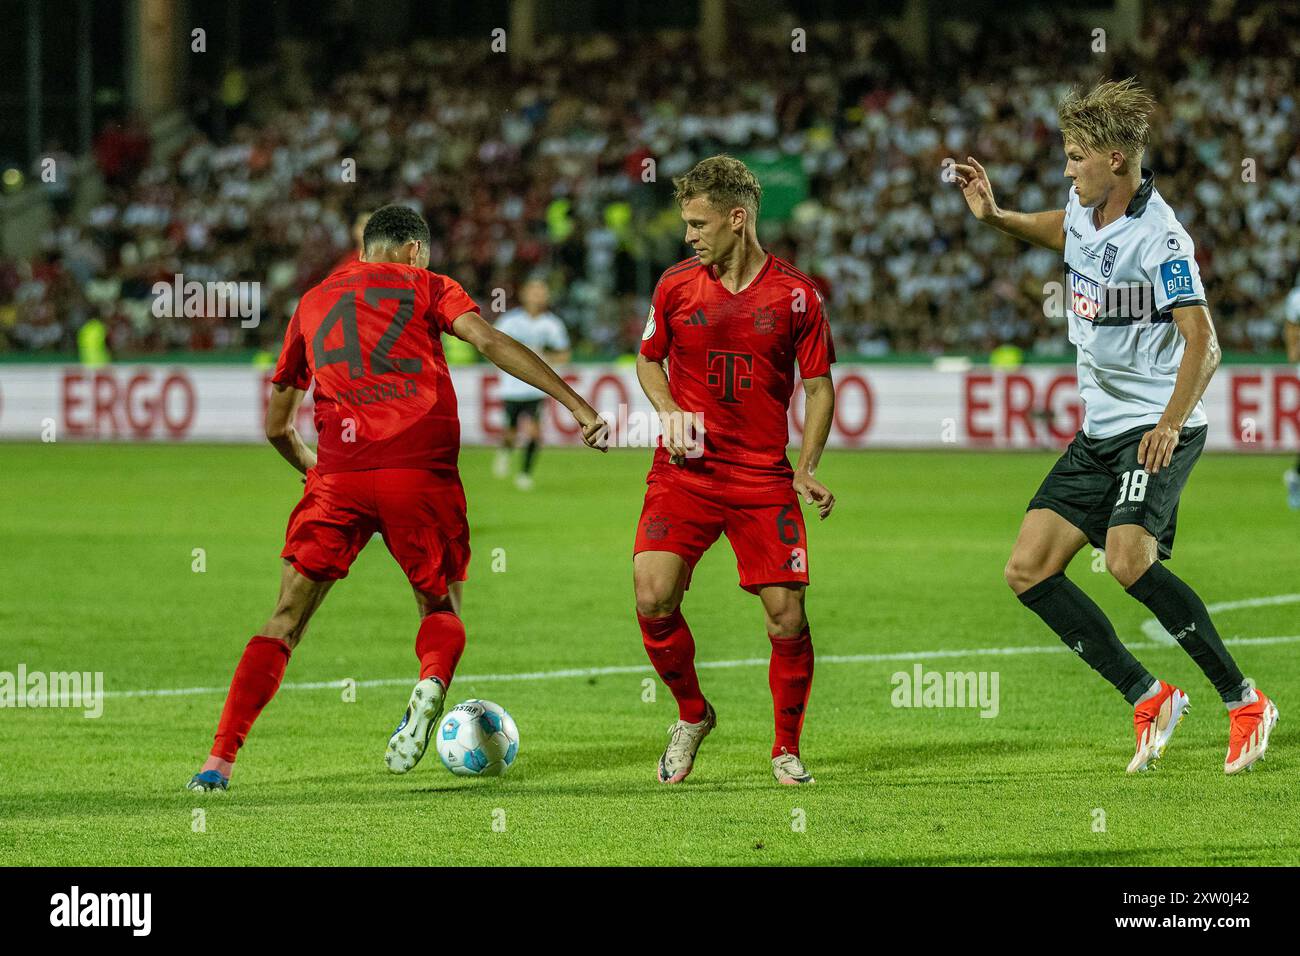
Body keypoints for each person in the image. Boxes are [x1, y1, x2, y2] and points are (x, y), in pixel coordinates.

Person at [187, 204, 607, 792]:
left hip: (340, 477)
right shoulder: (429, 285)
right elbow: (488, 340)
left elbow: (277, 426)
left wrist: (316, 471)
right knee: (440, 609)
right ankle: (432, 680)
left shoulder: (313, 301)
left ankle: (218, 762)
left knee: (284, 619)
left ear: (365, 248)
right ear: (414, 250)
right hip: (420, 473)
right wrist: (577, 405)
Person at [951, 78, 1278, 775]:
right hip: (1099, 433)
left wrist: (1170, 423)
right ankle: (1148, 695)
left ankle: (1245, 700)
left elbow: (1204, 343)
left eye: (1077, 158)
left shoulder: (1162, 239)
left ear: (1117, 160)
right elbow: (1062, 232)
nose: (1068, 170)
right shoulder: (1083, 208)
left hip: (1155, 426)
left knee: (1129, 560)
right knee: (1028, 569)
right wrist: (997, 217)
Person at [632, 156, 837, 786]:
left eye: (698, 224)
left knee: (786, 615)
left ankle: (785, 748)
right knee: (652, 594)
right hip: (685, 472)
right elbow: (647, 360)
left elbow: (820, 388)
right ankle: (692, 714)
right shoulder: (675, 286)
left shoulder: (797, 294)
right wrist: (668, 410)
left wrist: (806, 467)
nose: (688, 235)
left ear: (738, 218)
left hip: (761, 477)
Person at [493, 278, 572, 490]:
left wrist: (545, 357)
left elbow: (564, 354)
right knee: (510, 432)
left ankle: (525, 474)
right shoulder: (509, 321)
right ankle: (506, 450)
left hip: (537, 387)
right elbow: (492, 345)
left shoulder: (552, 324)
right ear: (525, 294)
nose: (538, 296)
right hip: (511, 386)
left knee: (535, 432)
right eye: (534, 292)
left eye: (542, 292)